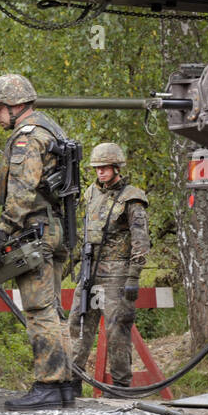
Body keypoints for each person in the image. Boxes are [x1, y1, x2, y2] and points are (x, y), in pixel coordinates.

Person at [0, 72, 76, 410]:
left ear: (16, 104)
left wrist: (2, 232)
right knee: (53, 310)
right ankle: (64, 386)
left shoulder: (28, 137)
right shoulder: (51, 129)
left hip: (35, 230)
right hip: (55, 229)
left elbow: (22, 189)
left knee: (38, 310)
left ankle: (48, 384)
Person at [68, 142, 150, 390]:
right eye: (97, 168)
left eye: (105, 167)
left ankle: (120, 386)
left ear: (116, 167)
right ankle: (72, 381)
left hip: (117, 273)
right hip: (90, 270)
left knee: (117, 330)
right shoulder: (90, 193)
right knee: (79, 324)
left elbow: (140, 240)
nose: (100, 172)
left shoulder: (132, 198)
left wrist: (134, 276)